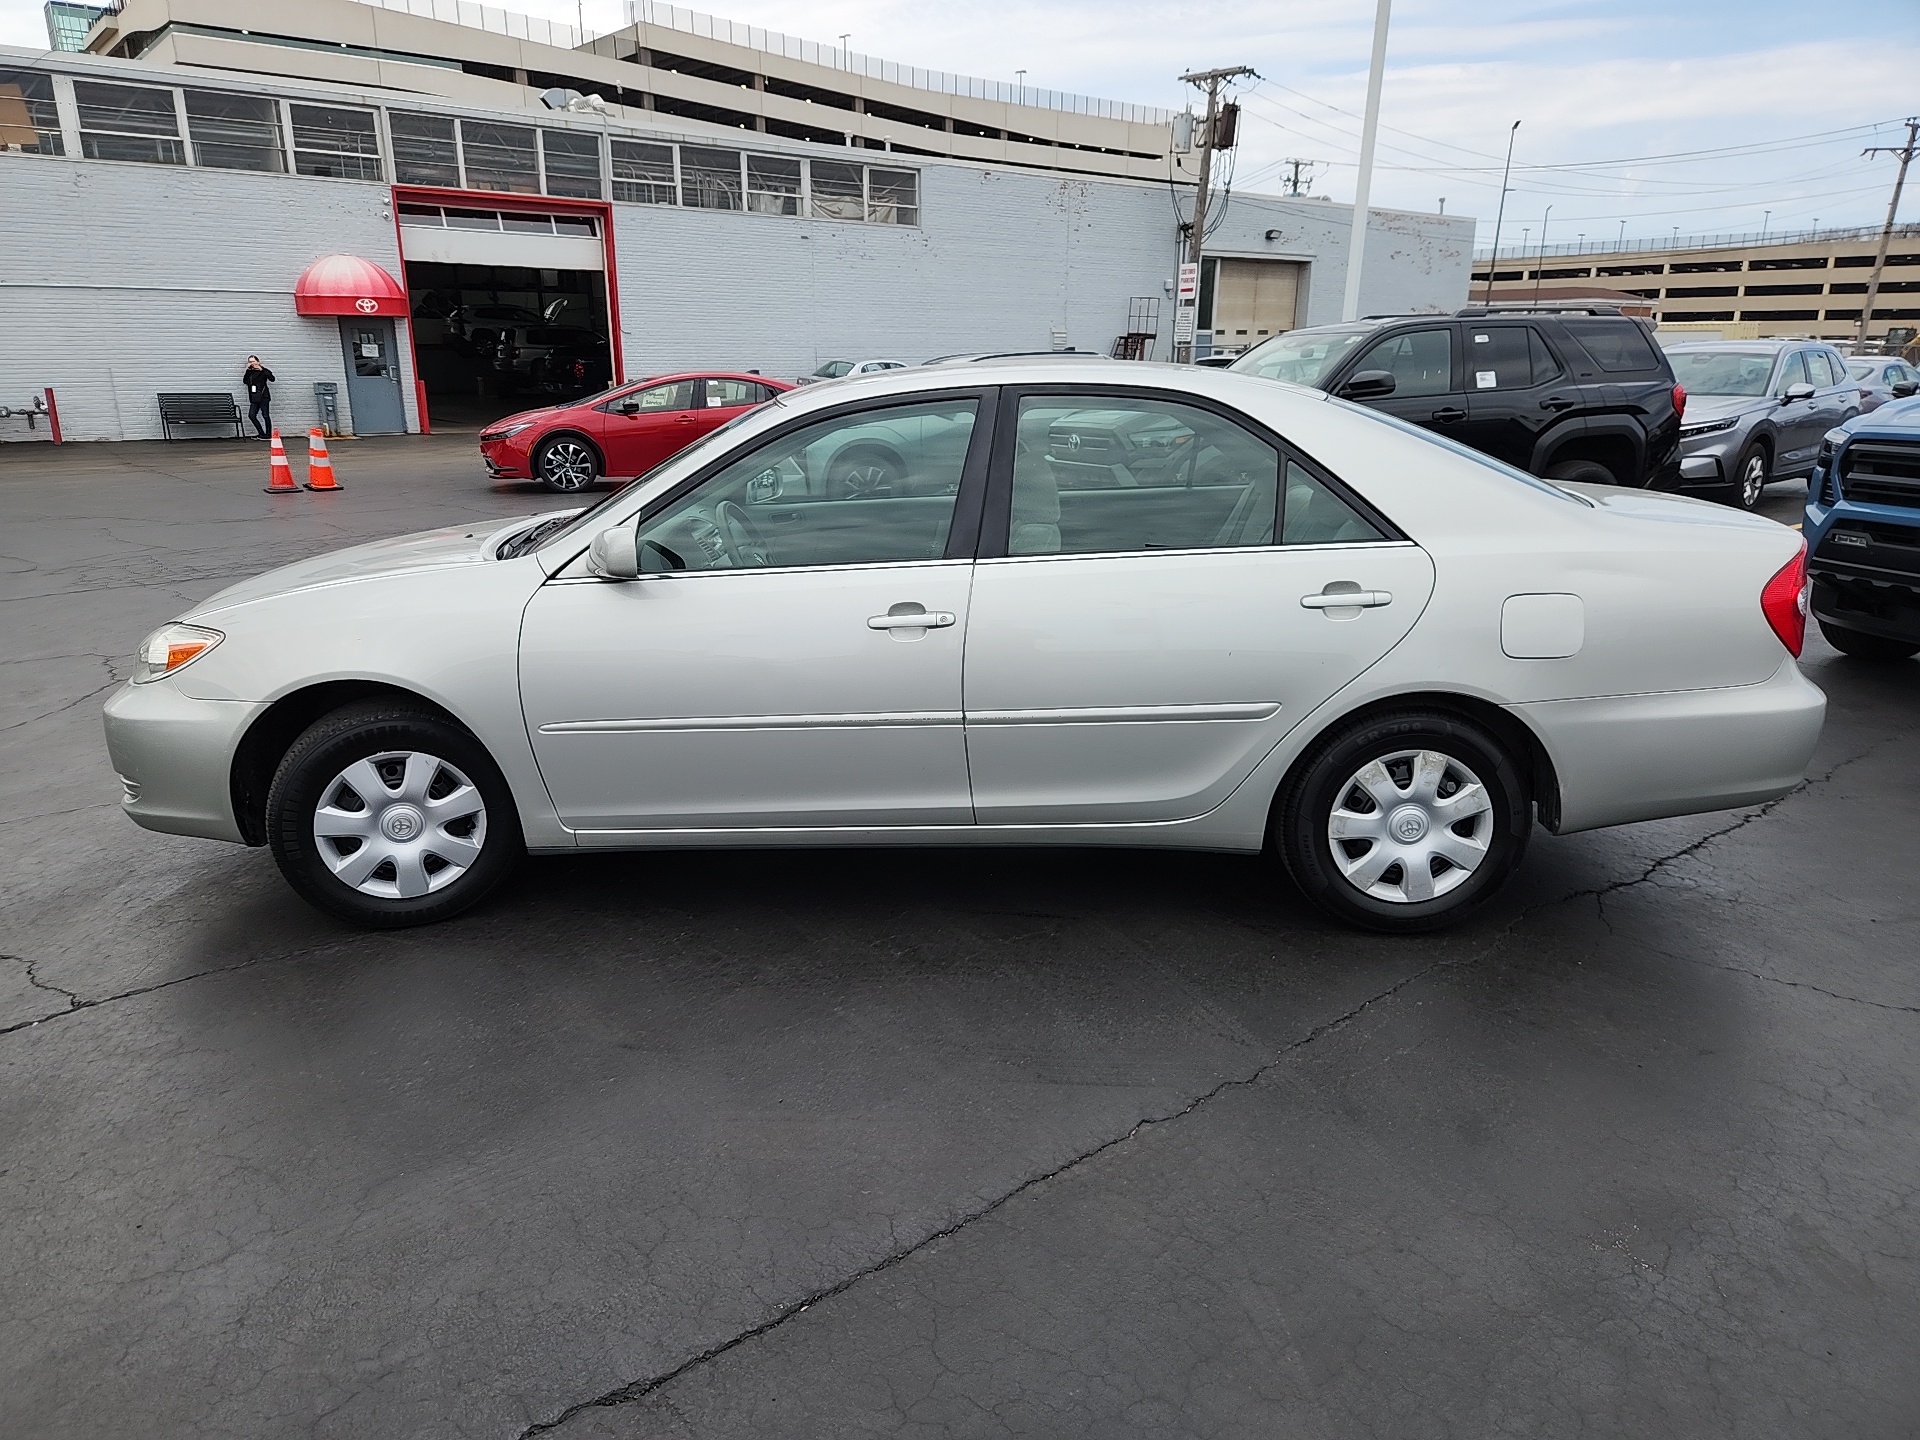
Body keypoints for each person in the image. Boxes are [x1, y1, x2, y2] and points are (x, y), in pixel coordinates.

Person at [242, 356, 276, 438]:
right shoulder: (250, 372)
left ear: (258, 362)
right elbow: (245, 381)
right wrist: (248, 370)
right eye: (250, 362)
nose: (252, 363)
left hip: (263, 396)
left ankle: (268, 434)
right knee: (252, 415)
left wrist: (261, 369)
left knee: (265, 415)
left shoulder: (263, 371)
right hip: (254, 397)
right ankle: (261, 433)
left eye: (253, 361)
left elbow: (272, 378)